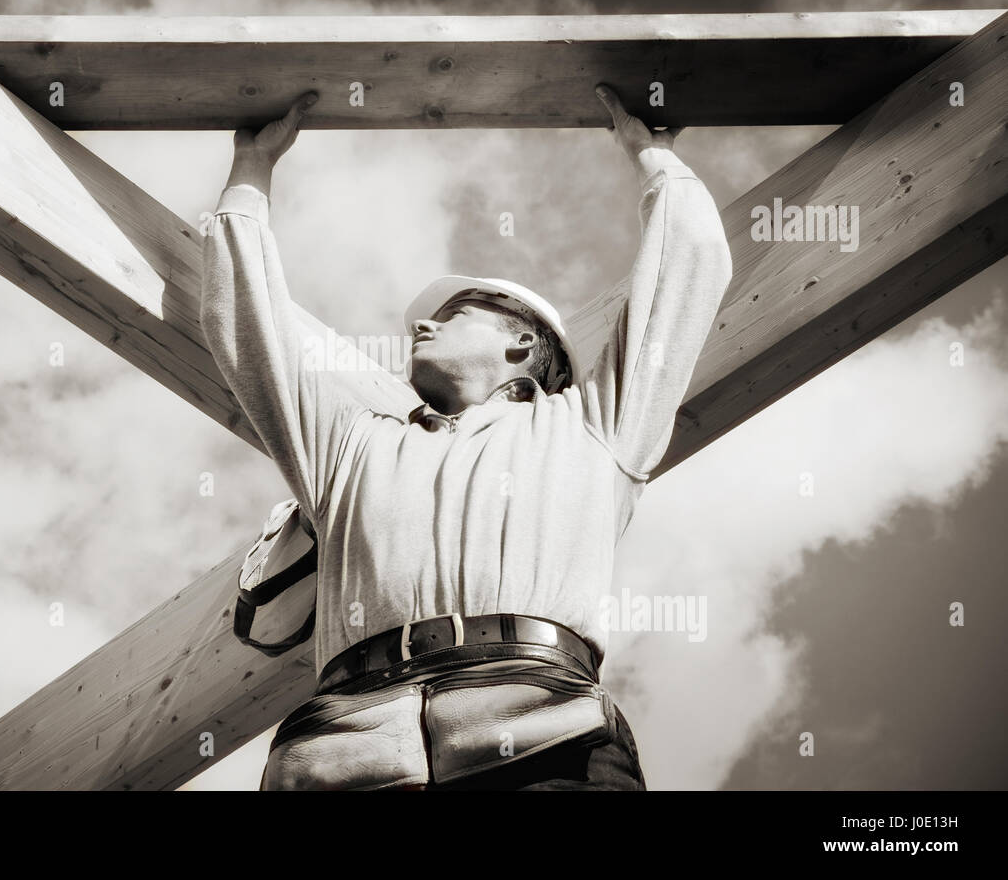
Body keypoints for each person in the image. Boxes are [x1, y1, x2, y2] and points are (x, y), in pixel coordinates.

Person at [201, 84, 732, 790]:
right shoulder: (352, 448)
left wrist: (654, 158)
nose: (420, 326)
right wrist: (251, 171)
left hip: (544, 735)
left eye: (452, 313)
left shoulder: (593, 427)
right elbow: (249, 328)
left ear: (521, 344)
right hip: (343, 757)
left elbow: (687, 269)